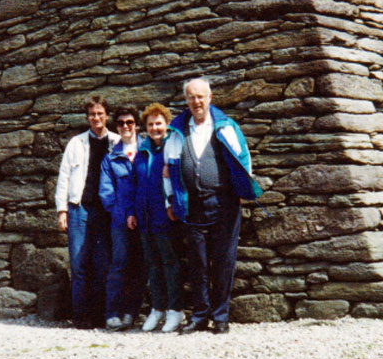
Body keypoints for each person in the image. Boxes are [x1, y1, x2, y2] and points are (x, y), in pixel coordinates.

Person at [164, 78, 261, 334]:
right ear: (186, 100)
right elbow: (169, 169)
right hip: (191, 203)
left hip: (224, 203)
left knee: (223, 261)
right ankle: (199, 316)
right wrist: (169, 201)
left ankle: (220, 317)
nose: (196, 102)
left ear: (210, 98)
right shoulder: (176, 130)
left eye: (200, 97)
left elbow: (243, 159)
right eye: (191, 97)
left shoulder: (226, 126)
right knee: (197, 262)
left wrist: (242, 190)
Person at [54, 95, 120, 329]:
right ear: (87, 117)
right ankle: (81, 317)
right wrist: (62, 210)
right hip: (79, 209)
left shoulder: (117, 142)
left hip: (106, 213)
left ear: (107, 115)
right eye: (92, 114)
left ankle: (101, 315)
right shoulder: (76, 143)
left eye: (100, 113)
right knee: (79, 263)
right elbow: (64, 177)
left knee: (103, 264)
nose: (96, 118)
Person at [132, 103, 185, 333]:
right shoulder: (142, 152)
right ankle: (158, 308)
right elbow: (134, 184)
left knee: (170, 263)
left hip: (165, 216)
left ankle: (176, 310)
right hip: (145, 217)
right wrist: (132, 212)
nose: (155, 128)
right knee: (153, 265)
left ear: (166, 125)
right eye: (151, 124)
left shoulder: (172, 148)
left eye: (159, 123)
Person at [98, 105, 143, 331]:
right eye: (121, 123)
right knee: (119, 264)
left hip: (146, 219)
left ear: (136, 124)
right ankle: (112, 313)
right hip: (121, 222)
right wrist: (125, 216)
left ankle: (131, 313)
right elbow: (107, 194)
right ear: (116, 126)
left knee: (141, 267)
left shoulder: (148, 150)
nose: (125, 127)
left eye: (130, 122)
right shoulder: (110, 157)